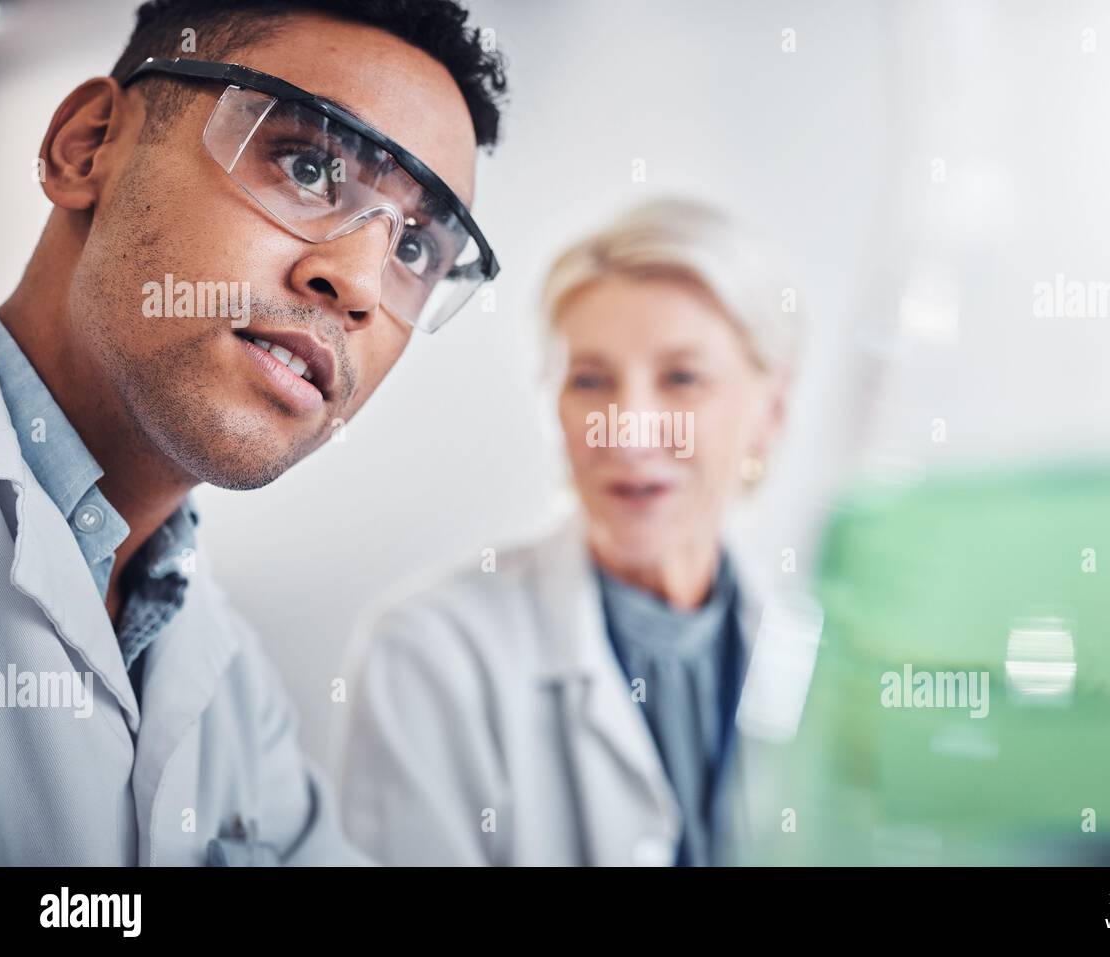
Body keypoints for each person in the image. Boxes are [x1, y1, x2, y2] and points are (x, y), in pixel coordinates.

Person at [0, 0, 505, 865]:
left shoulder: (235, 696)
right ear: (87, 147)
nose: (359, 287)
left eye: (414, 250)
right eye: (307, 166)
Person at [340, 199, 818, 865]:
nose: (627, 428)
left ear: (771, 410)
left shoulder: (826, 653)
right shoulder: (433, 651)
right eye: (590, 380)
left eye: (682, 377)